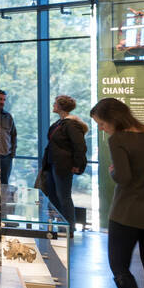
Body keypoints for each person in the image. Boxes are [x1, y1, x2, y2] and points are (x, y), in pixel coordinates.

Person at [41, 94, 87, 231]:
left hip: (63, 166)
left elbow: (80, 146)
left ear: (61, 106)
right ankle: (60, 226)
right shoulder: (59, 123)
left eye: (55, 103)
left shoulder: (71, 124)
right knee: (54, 196)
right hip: (52, 164)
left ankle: (68, 229)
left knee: (64, 197)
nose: (53, 106)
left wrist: (77, 165)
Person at [0, 89, 17, 188]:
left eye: (4, 99)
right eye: (0, 99)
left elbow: (14, 136)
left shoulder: (8, 116)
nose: (2, 102)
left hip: (6, 157)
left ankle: (3, 204)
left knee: (4, 186)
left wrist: (12, 154)